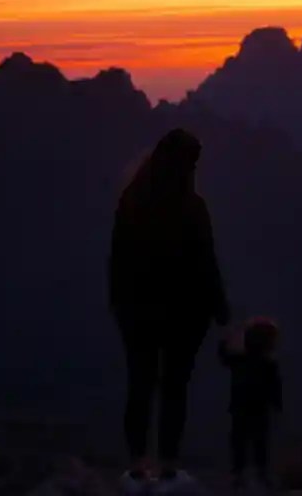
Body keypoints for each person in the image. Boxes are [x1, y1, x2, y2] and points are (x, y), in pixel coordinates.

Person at [110, 128, 230, 492]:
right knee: (173, 387)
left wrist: (120, 305)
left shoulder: (132, 200)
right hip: (183, 314)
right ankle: (167, 467)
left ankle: (137, 467)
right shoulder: (192, 206)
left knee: (141, 384)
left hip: (139, 313)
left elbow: (118, 260)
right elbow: (206, 261)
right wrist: (219, 307)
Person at [219, 317, 283, 490]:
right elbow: (275, 388)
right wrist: (277, 406)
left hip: (240, 407)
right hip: (259, 409)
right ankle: (260, 474)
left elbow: (223, 355)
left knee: (240, 441)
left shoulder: (239, 359)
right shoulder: (269, 364)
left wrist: (229, 336)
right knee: (259, 443)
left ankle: (238, 475)